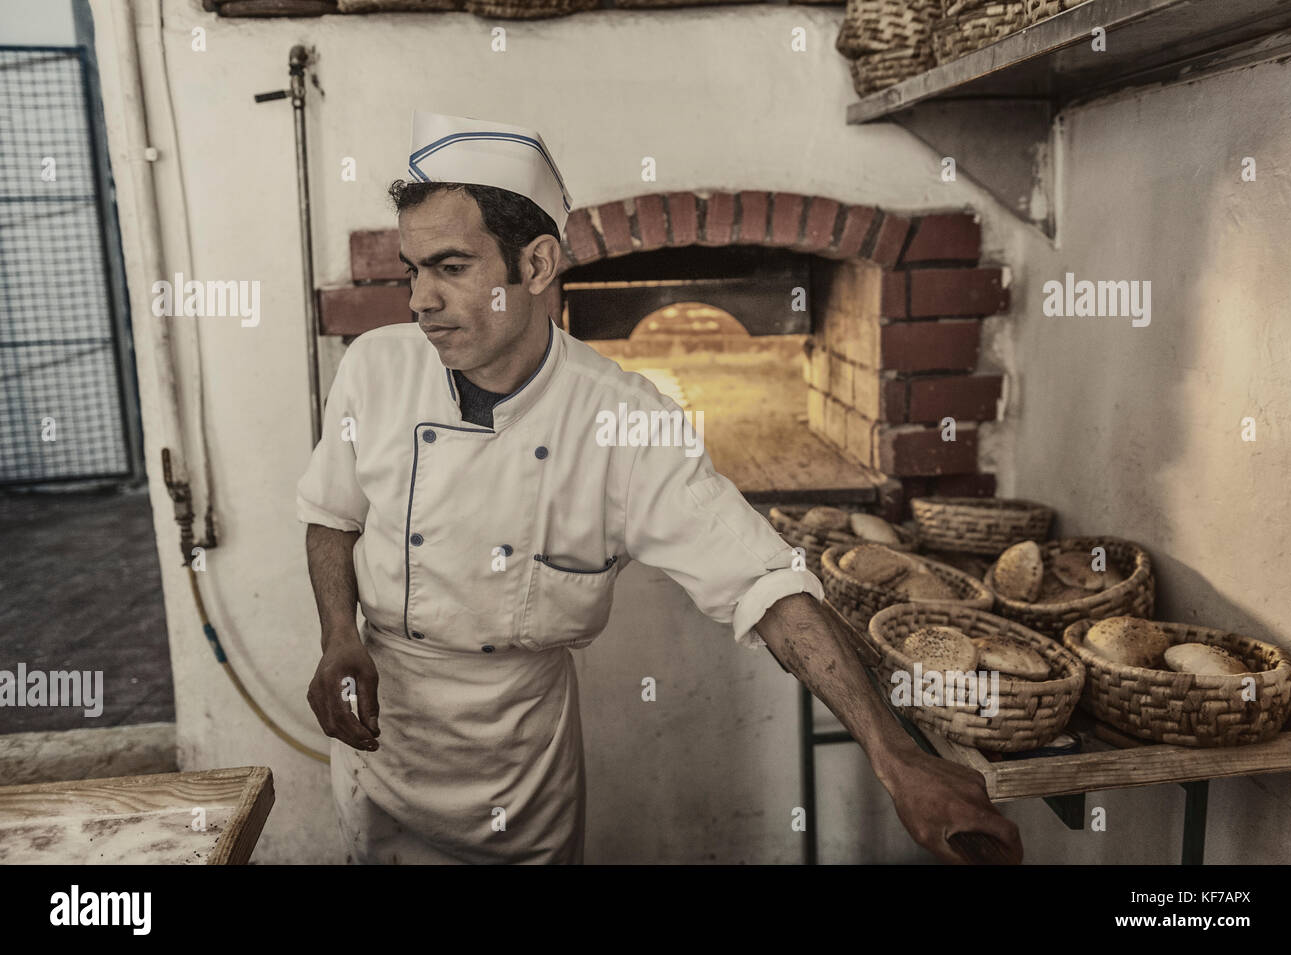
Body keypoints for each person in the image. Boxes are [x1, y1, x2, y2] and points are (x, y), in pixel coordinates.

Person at [298, 111, 1022, 865]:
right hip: (383, 739)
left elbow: (766, 586)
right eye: (413, 270)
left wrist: (894, 756)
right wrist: (339, 635)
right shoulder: (374, 370)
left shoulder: (621, 418)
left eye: (451, 267)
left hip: (514, 765)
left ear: (537, 266)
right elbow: (330, 514)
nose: (419, 299)